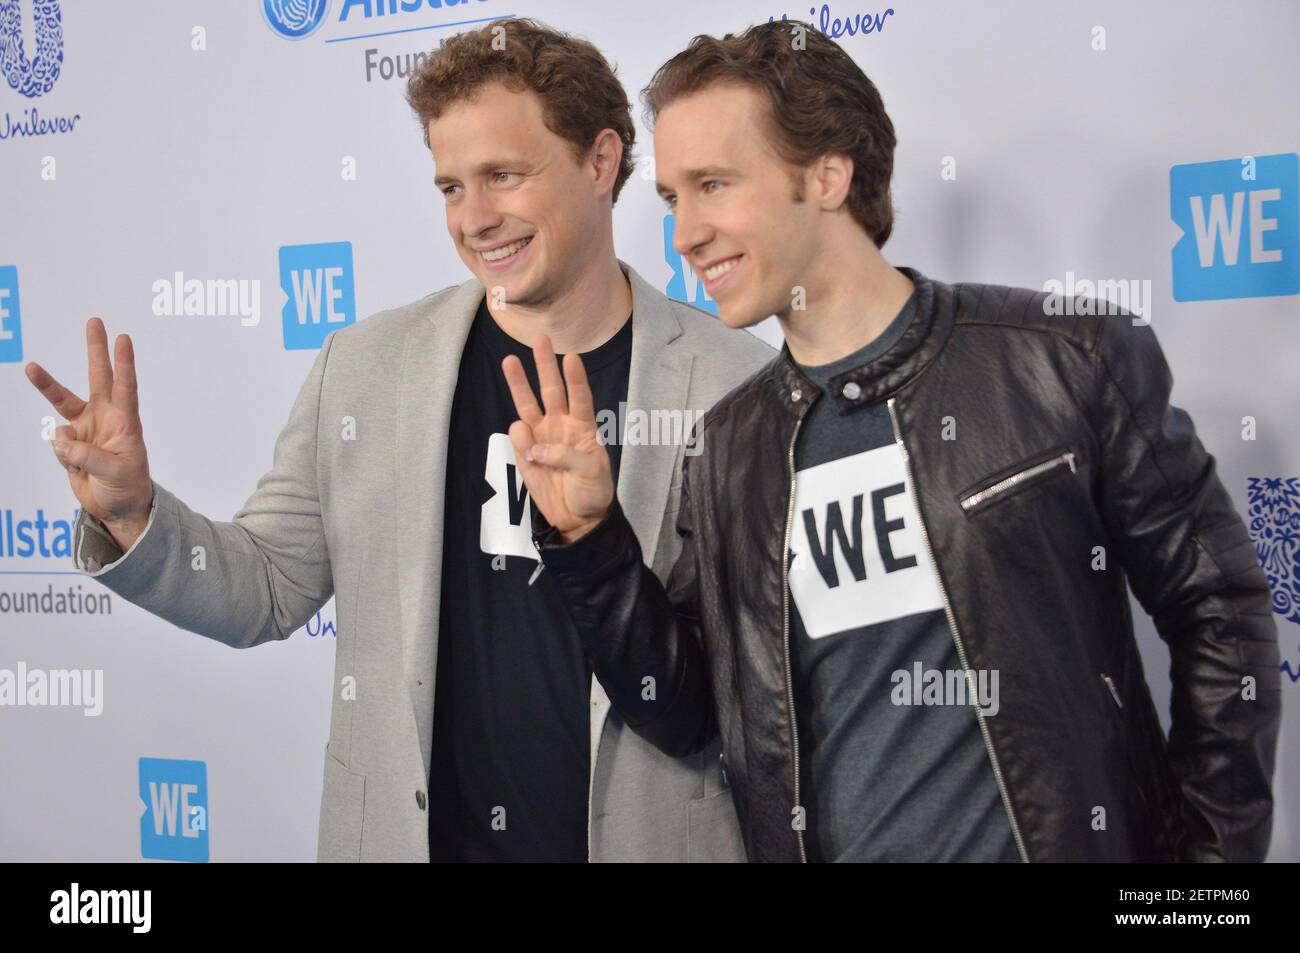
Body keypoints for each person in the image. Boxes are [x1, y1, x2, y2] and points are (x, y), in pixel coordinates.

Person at [502, 20, 1282, 862]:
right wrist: (589, 540)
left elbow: (1220, 616)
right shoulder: (728, 451)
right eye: (672, 198)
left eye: (715, 185)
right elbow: (688, 710)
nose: (685, 231)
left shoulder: (1062, 359)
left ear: (828, 174)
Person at [25, 18, 772, 862]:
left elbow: (744, 699)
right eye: (451, 187)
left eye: (502, 175)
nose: (476, 218)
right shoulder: (367, 367)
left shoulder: (734, 385)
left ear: (601, 162)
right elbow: (266, 587)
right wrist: (136, 515)